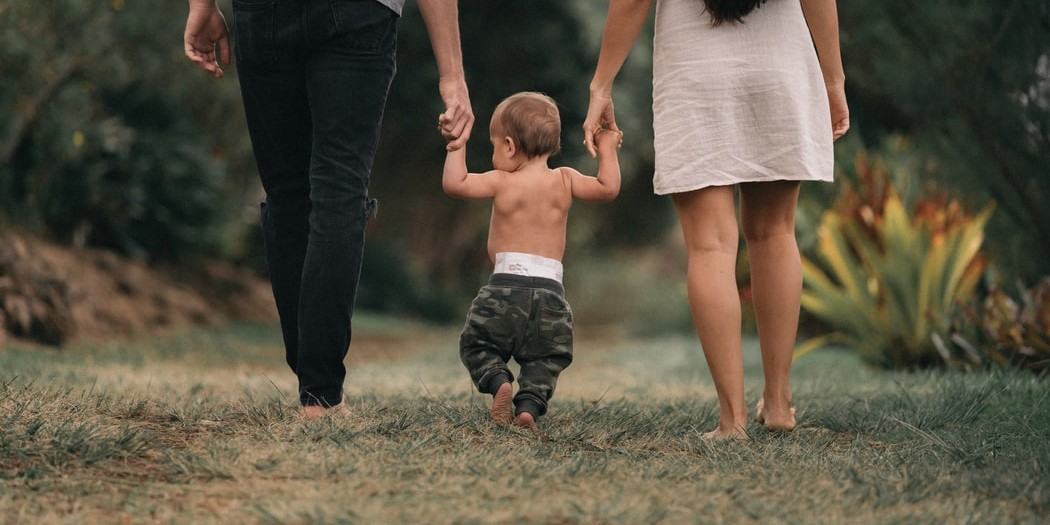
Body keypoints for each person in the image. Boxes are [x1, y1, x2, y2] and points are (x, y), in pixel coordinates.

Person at [183, 0, 475, 419]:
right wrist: (452, 76)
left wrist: (202, 5)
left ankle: (314, 387)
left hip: (264, 14)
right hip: (358, 14)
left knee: (287, 195)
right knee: (338, 189)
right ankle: (319, 395)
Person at [584, 0, 849, 439]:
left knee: (710, 245)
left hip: (695, 71)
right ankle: (779, 404)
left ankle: (733, 421)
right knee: (775, 233)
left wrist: (601, 86)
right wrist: (833, 78)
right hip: (778, 64)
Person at [442, 92, 622, 428]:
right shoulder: (566, 179)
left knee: (477, 343)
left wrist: (456, 143)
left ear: (509, 146)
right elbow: (607, 188)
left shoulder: (502, 181)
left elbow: (456, 183)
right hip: (551, 295)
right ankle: (528, 407)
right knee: (546, 358)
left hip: (504, 288)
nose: (495, 153)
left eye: (494, 145)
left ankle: (499, 382)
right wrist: (607, 146)